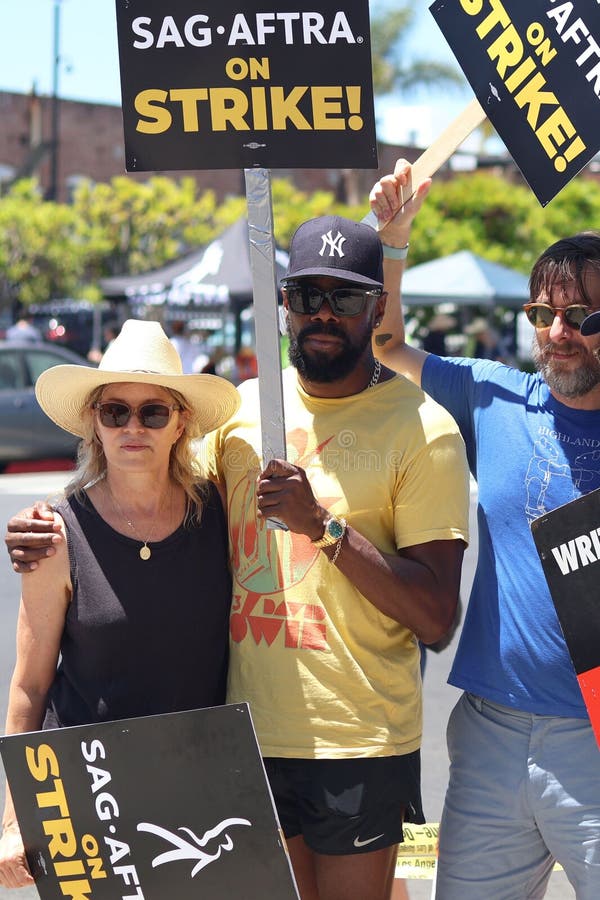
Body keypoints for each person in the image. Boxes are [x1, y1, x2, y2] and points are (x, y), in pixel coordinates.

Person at [5, 216, 470, 900]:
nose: (322, 314)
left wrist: (323, 528)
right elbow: (146, 483)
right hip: (240, 738)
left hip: (359, 739)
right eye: (306, 295)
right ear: (282, 304)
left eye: (344, 298)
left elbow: (435, 618)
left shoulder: (425, 430)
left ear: (378, 308)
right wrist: (51, 520)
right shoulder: (244, 414)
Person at [369, 159, 600, 899]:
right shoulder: (493, 397)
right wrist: (394, 242)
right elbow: (385, 346)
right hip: (490, 734)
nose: (558, 334)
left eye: (582, 317)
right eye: (543, 315)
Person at [0, 319, 240, 890]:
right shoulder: (56, 534)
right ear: (94, 423)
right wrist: (13, 817)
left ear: (180, 423)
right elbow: (30, 686)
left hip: (195, 790)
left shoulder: (221, 514)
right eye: (115, 412)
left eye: (153, 412)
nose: (133, 427)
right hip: (88, 797)